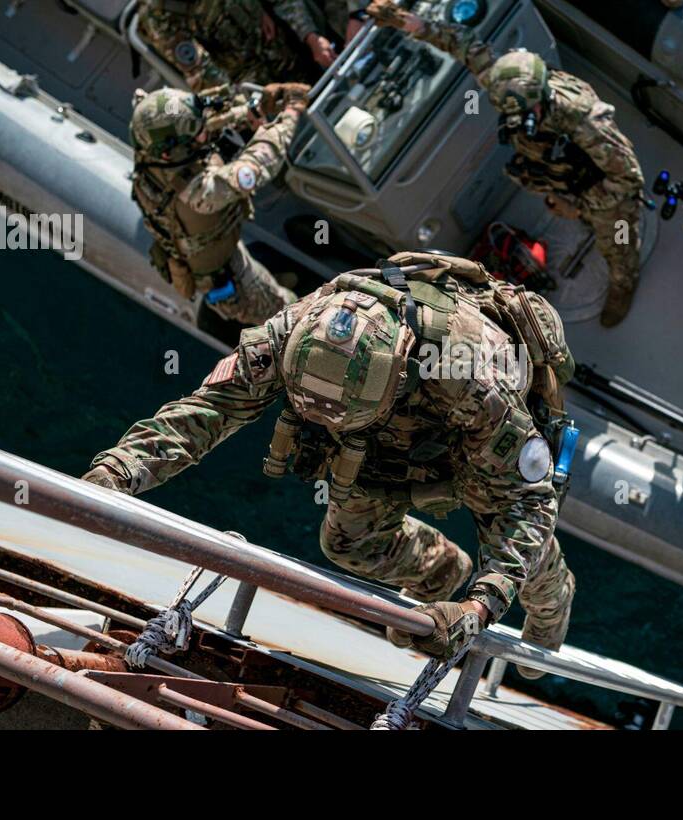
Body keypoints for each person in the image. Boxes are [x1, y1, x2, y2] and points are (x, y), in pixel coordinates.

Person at [83, 252, 576, 675]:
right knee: (348, 543)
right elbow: (210, 411)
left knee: (518, 548)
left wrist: (478, 607)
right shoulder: (298, 328)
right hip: (383, 441)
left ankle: (551, 605)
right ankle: (441, 572)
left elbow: (524, 507)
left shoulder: (475, 380)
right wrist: (116, 474)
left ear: (400, 375)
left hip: (467, 446)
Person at [367, 1, 647, 327]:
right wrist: (406, 22)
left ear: (543, 98)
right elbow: (463, 45)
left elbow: (628, 178)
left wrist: (581, 208)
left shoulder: (584, 120)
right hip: (560, 171)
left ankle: (625, 278)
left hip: (601, 187)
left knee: (618, 236)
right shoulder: (508, 81)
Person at [129, 84, 308, 326]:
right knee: (290, 318)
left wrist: (252, 109)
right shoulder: (200, 193)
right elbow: (260, 161)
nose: (203, 133)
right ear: (173, 152)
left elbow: (198, 124)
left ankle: (272, 283)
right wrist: (291, 113)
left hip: (217, 246)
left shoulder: (150, 143)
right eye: (196, 135)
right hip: (229, 278)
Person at [137, 0, 332, 92]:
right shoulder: (158, 13)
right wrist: (251, 106)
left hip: (295, 55)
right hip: (261, 90)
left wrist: (311, 37)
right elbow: (204, 75)